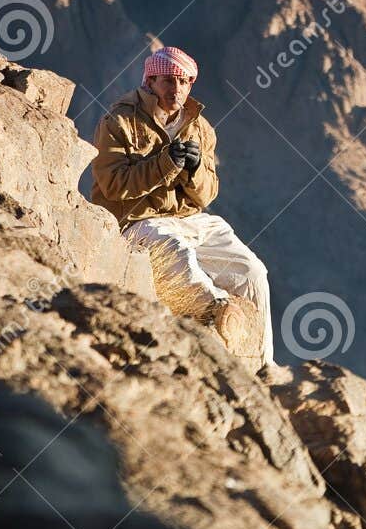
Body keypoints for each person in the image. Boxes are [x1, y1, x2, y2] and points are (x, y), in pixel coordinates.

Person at [89, 46, 275, 373]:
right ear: (151, 81)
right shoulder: (119, 121)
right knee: (176, 255)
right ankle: (220, 312)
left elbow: (207, 194)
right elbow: (113, 186)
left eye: (184, 82)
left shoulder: (200, 128)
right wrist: (164, 164)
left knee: (252, 271)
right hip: (139, 219)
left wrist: (195, 168)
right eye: (168, 81)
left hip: (190, 218)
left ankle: (262, 365)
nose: (177, 89)